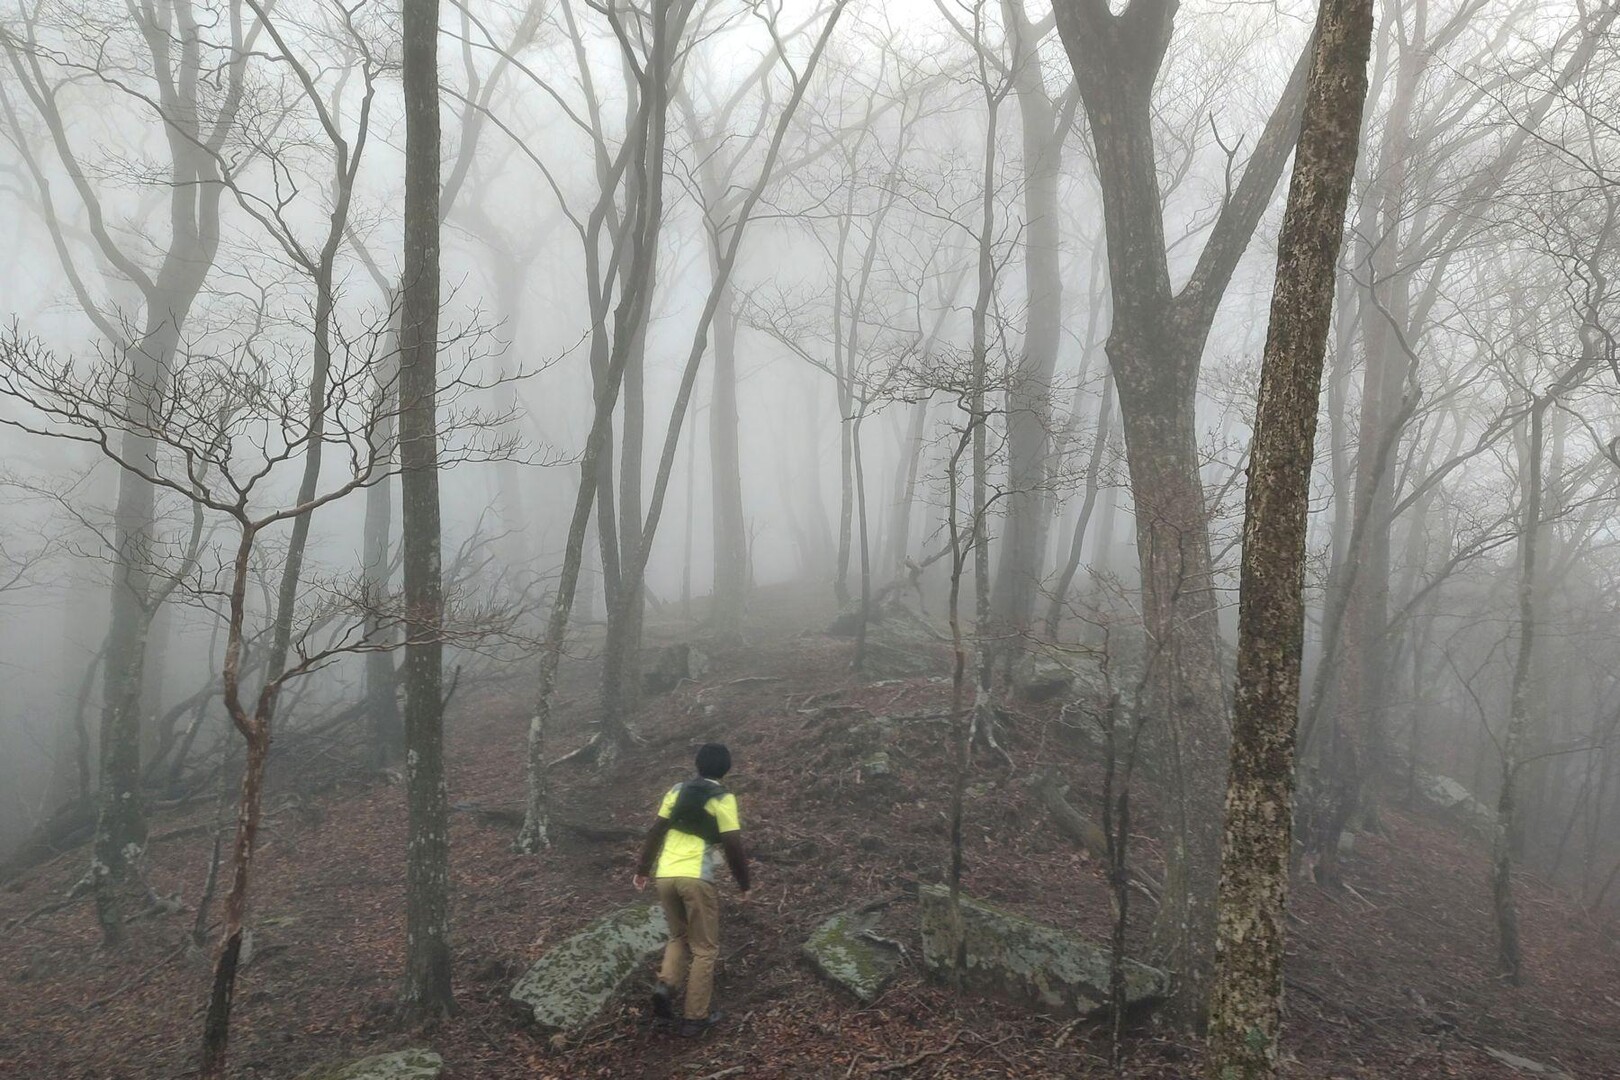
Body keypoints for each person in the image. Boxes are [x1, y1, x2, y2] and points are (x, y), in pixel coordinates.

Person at [634, 742, 750, 1036]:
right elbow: (733, 844)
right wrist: (744, 883)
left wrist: (642, 870)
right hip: (696, 877)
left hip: (666, 875)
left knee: (678, 936)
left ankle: (666, 986)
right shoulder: (722, 797)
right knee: (705, 948)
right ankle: (695, 1018)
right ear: (726, 769)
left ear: (697, 765)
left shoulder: (675, 790)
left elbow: (656, 829)